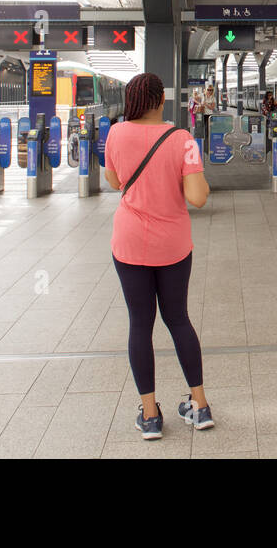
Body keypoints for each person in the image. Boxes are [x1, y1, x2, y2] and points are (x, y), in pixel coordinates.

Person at [103, 72, 213, 440]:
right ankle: (199, 406)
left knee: (140, 323)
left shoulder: (116, 133)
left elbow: (115, 182)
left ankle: (150, 415)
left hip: (130, 243)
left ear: (131, 99)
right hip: (173, 245)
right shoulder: (182, 139)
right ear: (161, 99)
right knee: (178, 319)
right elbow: (198, 197)